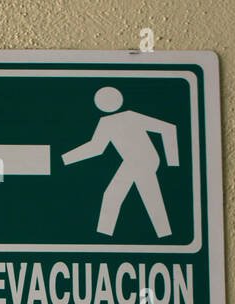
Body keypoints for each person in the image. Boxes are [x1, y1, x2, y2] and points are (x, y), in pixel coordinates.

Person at [61, 86, 179, 237]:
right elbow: (96, 148)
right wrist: (67, 158)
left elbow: (168, 128)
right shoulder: (108, 122)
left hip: (143, 160)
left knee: (123, 195)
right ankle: (163, 233)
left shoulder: (130, 116)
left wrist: (173, 162)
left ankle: (105, 236)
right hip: (135, 160)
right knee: (130, 195)